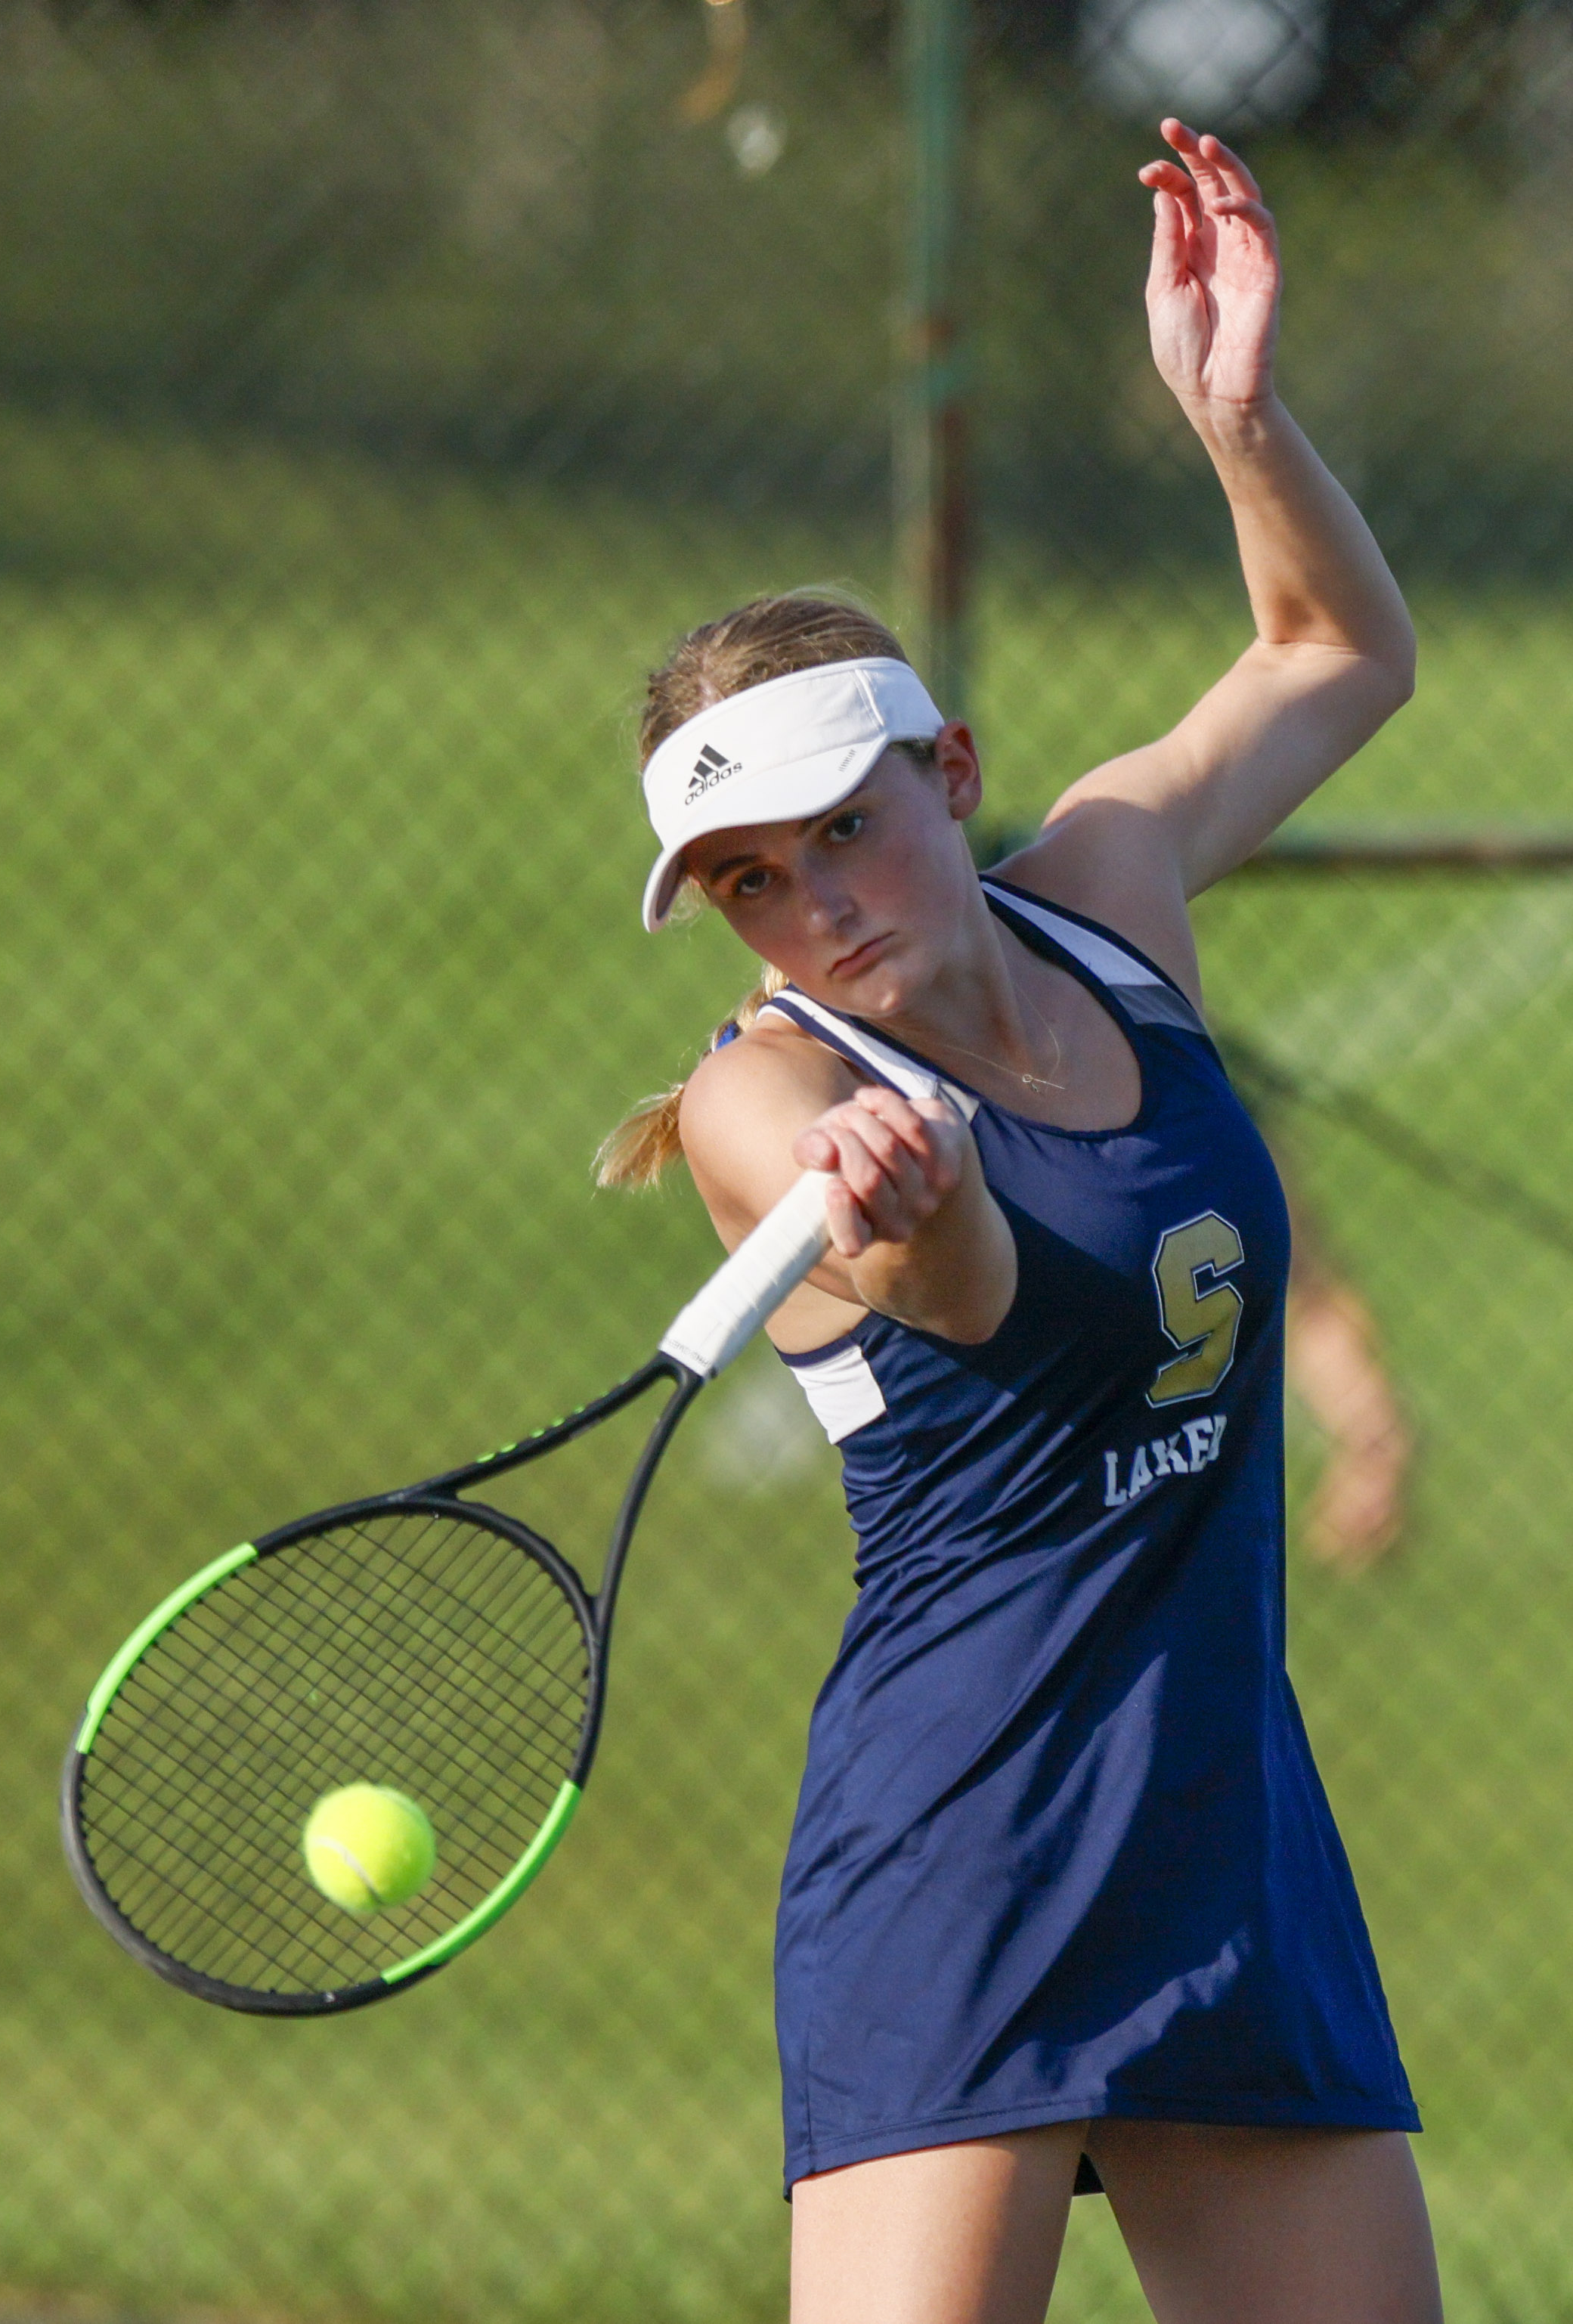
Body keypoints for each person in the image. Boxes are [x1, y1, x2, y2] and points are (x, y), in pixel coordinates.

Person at [600, 122, 1441, 2324]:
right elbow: (964, 1295)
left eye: (843, 833)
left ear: (950, 775)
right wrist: (906, 1205)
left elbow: (1341, 653)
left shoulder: (1117, 894)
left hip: (1221, 1827)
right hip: (961, 1854)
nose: (817, 905)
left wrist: (1237, 417)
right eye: (754, 882)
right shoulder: (764, 1095)